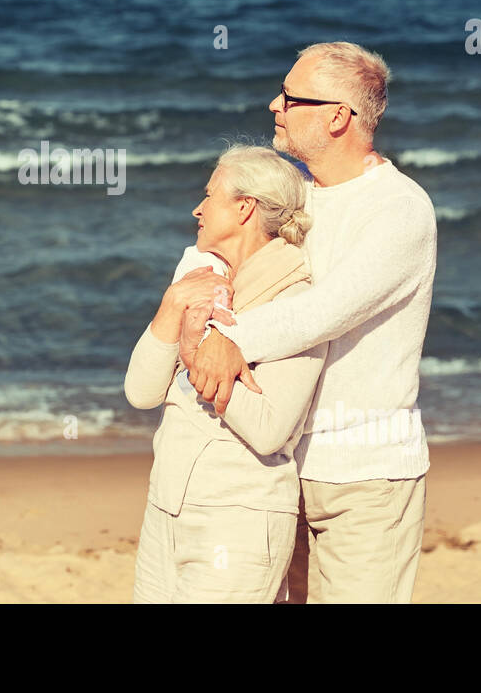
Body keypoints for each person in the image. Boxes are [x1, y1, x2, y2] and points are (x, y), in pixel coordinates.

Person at [189, 41, 438, 604]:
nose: (274, 104)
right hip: (275, 465)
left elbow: (328, 310)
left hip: (366, 473)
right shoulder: (295, 196)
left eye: (290, 96)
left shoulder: (400, 209)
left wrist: (232, 340)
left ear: (337, 117)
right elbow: (226, 253)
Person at [125, 144, 327, 603]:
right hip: (166, 509)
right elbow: (140, 392)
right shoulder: (199, 283)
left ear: (244, 207)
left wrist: (197, 356)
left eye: (209, 196)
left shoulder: (294, 301)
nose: (197, 208)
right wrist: (172, 305)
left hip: (238, 520)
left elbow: (270, 427)